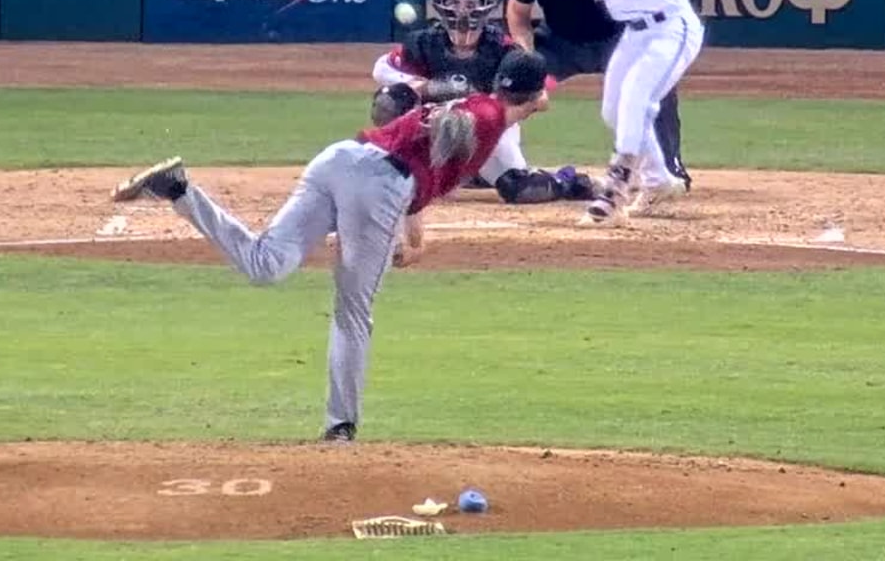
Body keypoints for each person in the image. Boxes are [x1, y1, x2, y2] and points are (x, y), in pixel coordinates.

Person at [110, 49, 555, 442]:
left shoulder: (481, 105)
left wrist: (408, 227)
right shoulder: (489, 117)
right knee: (354, 312)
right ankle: (341, 425)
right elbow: (447, 127)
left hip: (340, 160)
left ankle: (179, 190)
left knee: (267, 265)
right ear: (538, 97)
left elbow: (417, 144)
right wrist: (441, 126)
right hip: (378, 187)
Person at [505, 0, 692, 204]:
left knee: (656, 88)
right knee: (510, 79)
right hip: (559, 43)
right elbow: (518, 14)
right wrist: (528, 60)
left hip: (617, 40)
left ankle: (668, 168)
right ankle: (494, 166)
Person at [549, 0, 705, 226]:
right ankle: (659, 181)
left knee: (637, 98)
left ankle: (615, 192)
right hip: (637, 31)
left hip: (670, 27)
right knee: (614, 110)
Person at [373, 0, 598, 204]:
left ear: (483, 7)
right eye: (454, 2)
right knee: (390, 100)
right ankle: (410, 161)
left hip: (486, 132)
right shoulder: (423, 42)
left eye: (470, 3)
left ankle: (566, 180)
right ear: (442, 6)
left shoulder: (503, 49)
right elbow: (381, 69)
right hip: (439, 128)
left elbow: (540, 98)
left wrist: (490, 109)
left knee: (521, 189)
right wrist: (428, 87)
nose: (463, 10)